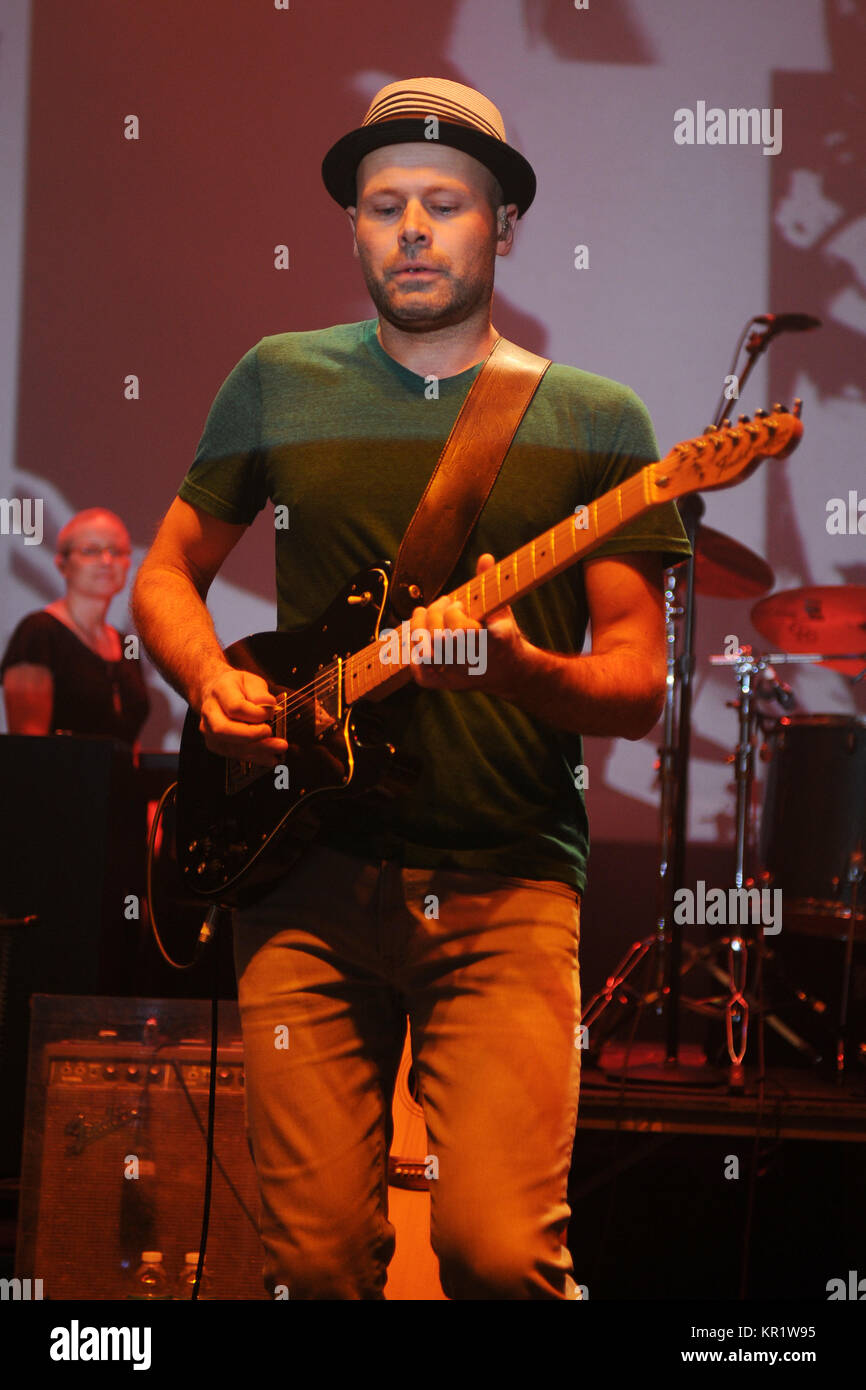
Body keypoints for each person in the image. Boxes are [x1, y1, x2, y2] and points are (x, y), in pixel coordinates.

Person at [132, 77, 691, 1300]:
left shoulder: (600, 420)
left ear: (503, 226)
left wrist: (515, 668)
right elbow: (165, 573)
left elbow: (636, 683)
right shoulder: (276, 377)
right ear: (351, 227)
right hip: (301, 873)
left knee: (498, 1256)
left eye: (446, 202)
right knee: (314, 1262)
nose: (414, 228)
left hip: (505, 883)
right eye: (385, 205)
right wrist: (207, 671)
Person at [2, 507, 149, 744]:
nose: (106, 561)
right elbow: (27, 750)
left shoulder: (126, 643)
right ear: (62, 564)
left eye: (117, 551)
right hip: (60, 779)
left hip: (121, 780)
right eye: (91, 551)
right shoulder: (38, 633)